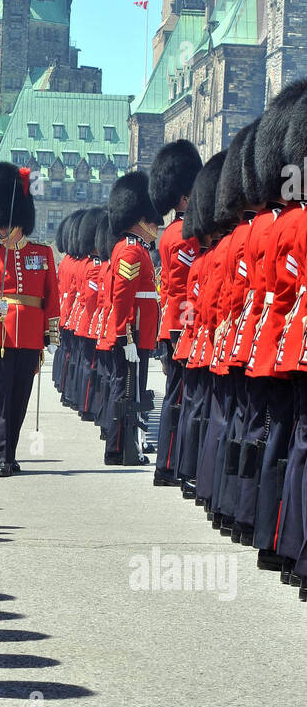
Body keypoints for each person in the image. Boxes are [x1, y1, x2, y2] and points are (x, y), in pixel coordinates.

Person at [0, 162, 59, 476]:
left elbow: (52, 295)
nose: (1, 230)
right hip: (1, 337)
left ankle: (10, 452)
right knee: (1, 398)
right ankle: (1, 457)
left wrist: (51, 336)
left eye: (5, 225)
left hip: (31, 337)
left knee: (21, 398)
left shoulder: (43, 253)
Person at [148, 140, 202, 486]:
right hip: (184, 322)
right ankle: (171, 466)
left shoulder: (170, 232)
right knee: (181, 397)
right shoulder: (186, 236)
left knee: (176, 394)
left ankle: (168, 465)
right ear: (184, 197)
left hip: (173, 321)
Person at [103, 171, 162, 466]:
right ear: (140, 220)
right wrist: (126, 336)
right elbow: (123, 297)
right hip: (134, 333)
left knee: (131, 388)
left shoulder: (137, 249)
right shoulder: (130, 251)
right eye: (152, 222)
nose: (156, 227)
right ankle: (121, 447)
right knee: (128, 389)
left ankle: (123, 446)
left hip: (140, 332)